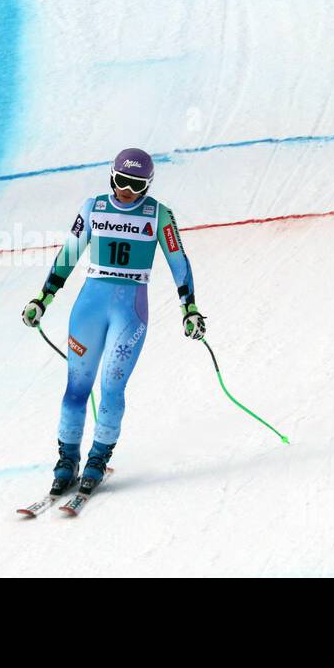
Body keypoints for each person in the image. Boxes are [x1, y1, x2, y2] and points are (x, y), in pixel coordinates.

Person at [21, 148, 205, 497]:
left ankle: (98, 458)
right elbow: (69, 255)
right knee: (76, 388)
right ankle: (67, 459)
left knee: (112, 388)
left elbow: (178, 260)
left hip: (130, 312)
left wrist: (189, 308)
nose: (127, 192)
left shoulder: (160, 215)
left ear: (148, 186)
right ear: (111, 176)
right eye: (122, 182)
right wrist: (42, 298)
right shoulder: (93, 208)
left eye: (137, 186)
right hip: (89, 306)